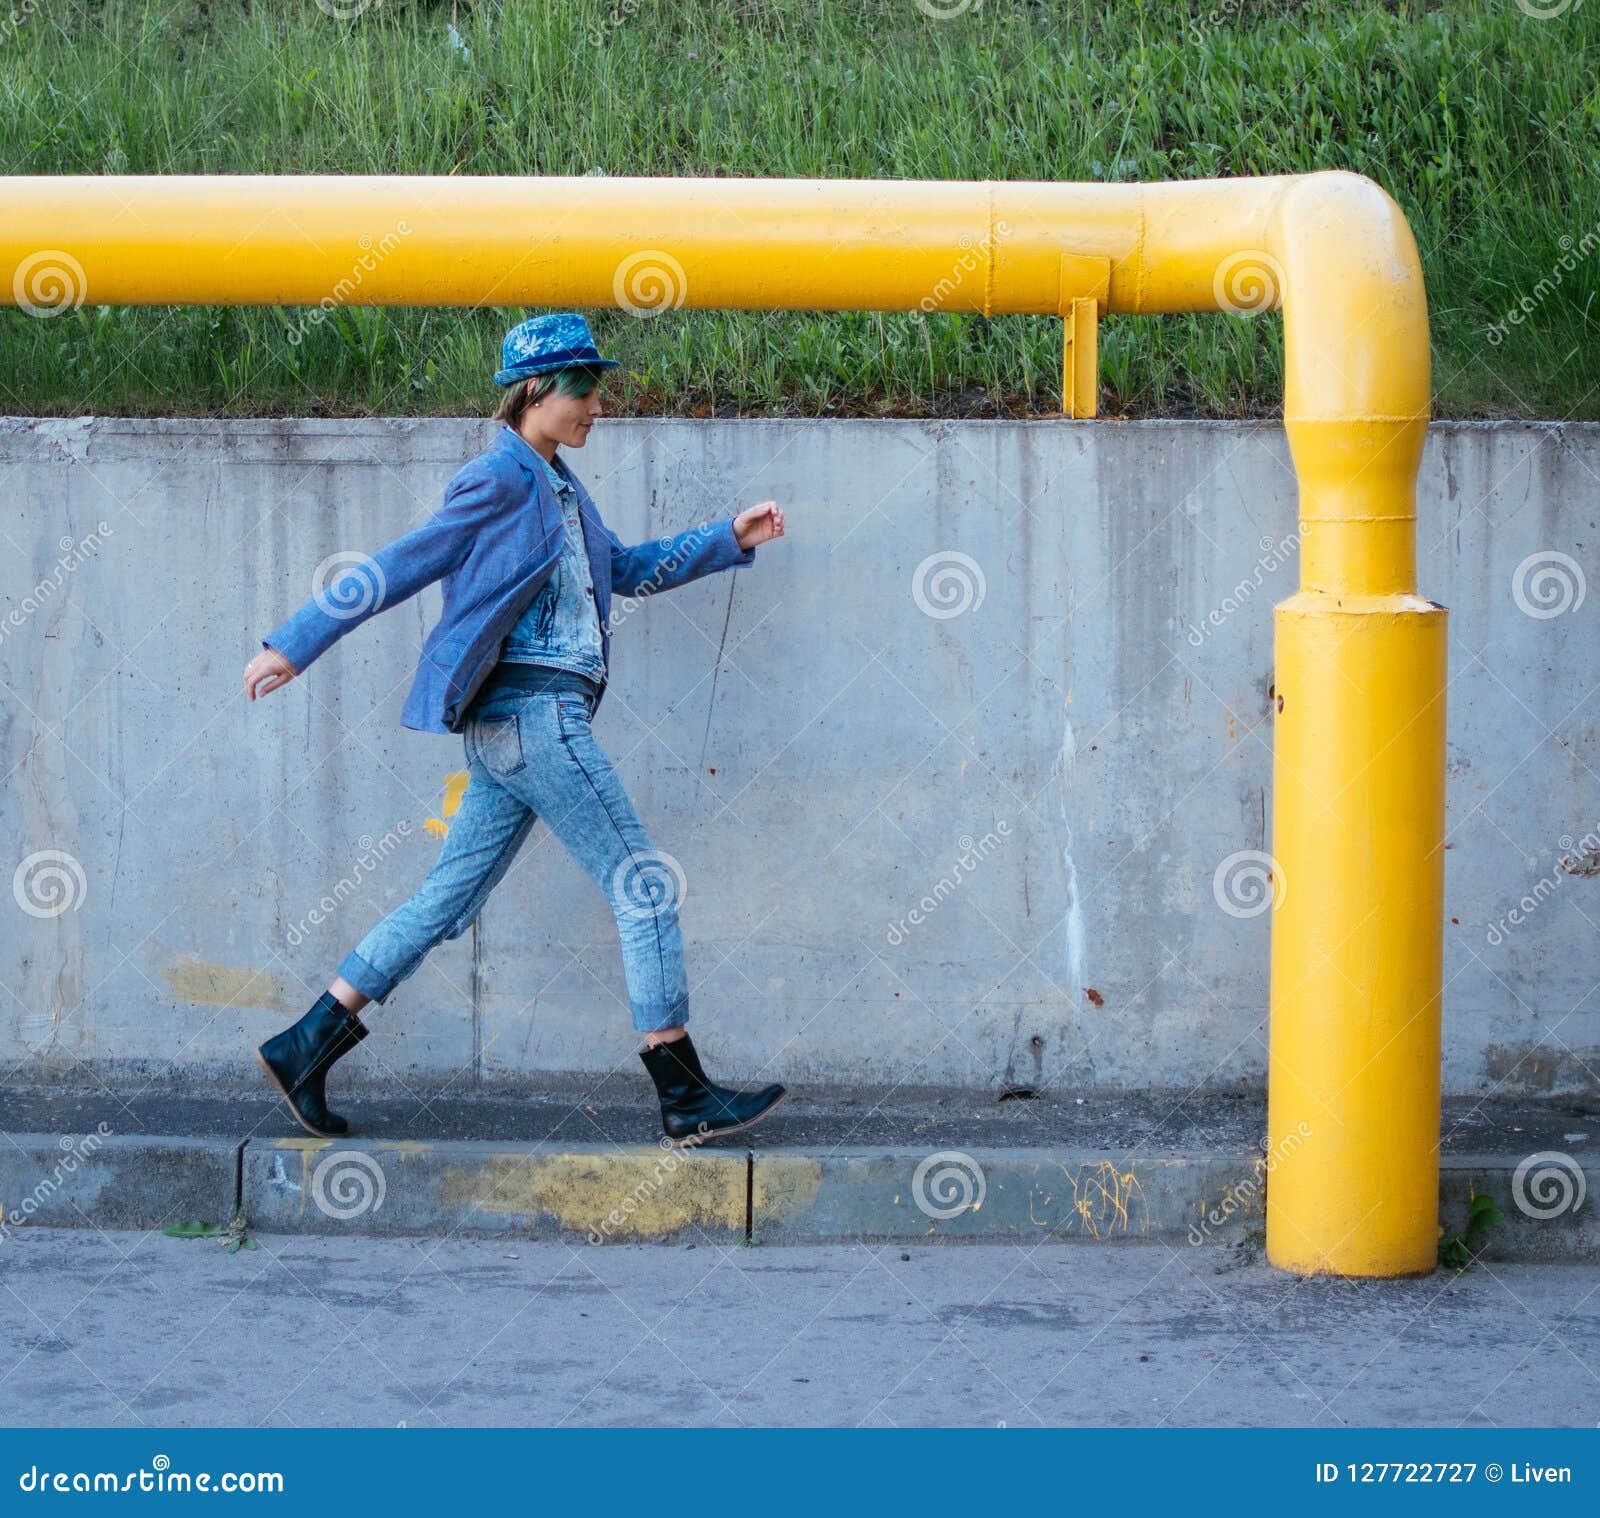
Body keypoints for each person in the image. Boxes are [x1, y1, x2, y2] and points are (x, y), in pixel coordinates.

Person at [242, 312, 788, 1147]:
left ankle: (305, 1044)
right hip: (536, 717)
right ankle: (682, 1090)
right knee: (643, 884)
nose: (598, 406)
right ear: (536, 391)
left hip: (514, 733)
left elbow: (627, 570)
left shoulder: (560, 485)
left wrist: (727, 538)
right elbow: (403, 561)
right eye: (584, 390)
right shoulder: (500, 479)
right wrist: (295, 642)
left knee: (442, 902)